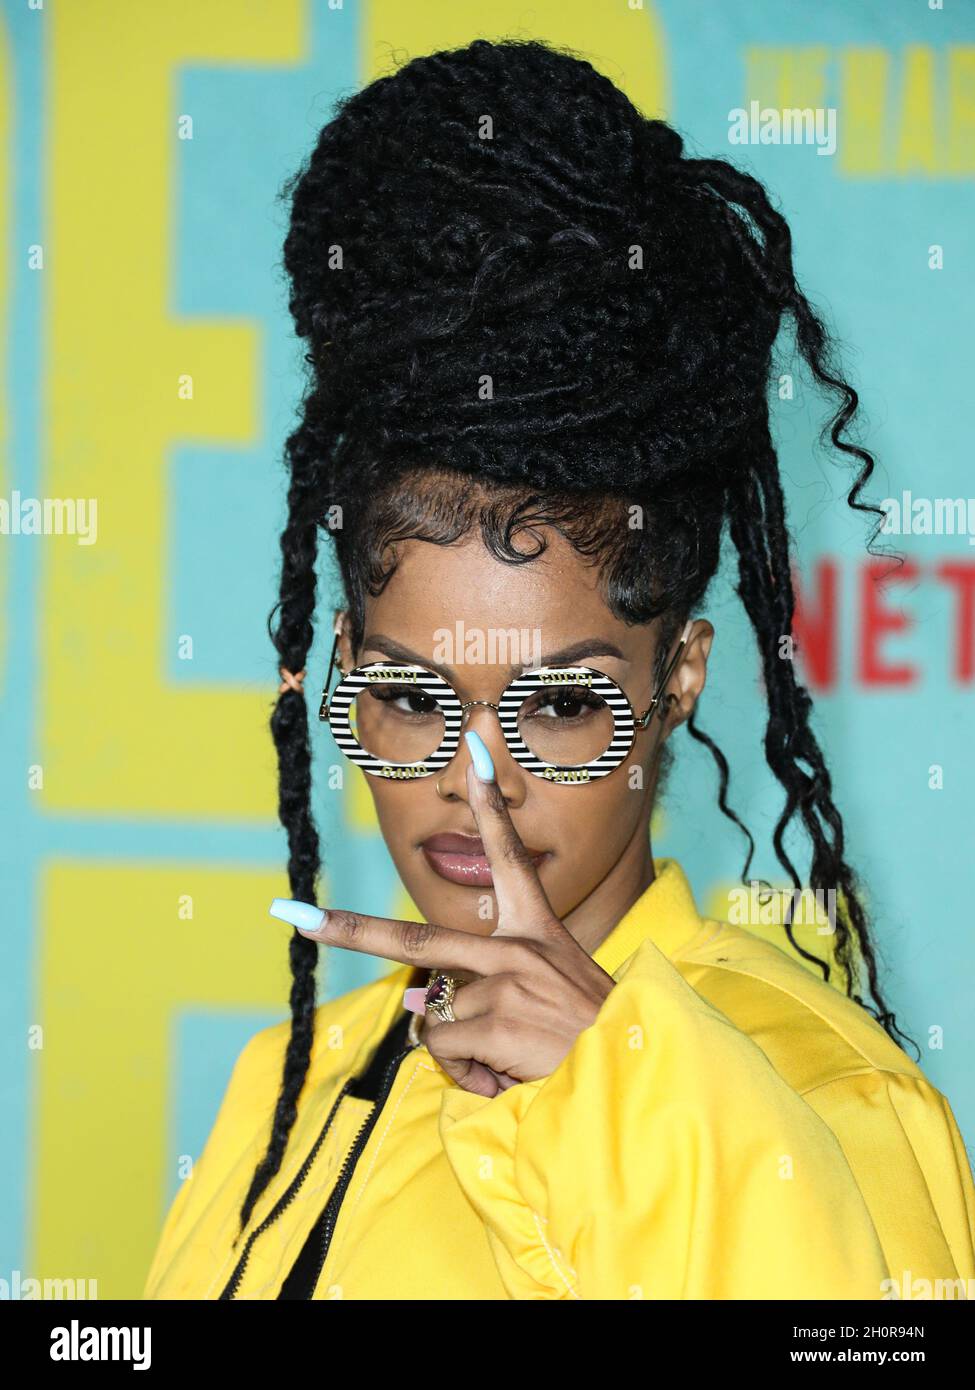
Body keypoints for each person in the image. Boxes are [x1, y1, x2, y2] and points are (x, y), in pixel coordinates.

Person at [143, 37, 975, 1300]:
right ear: (348, 667)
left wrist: (632, 1105)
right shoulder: (295, 1084)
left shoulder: (827, 1094)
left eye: (565, 701)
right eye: (414, 697)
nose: (479, 786)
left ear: (679, 676)